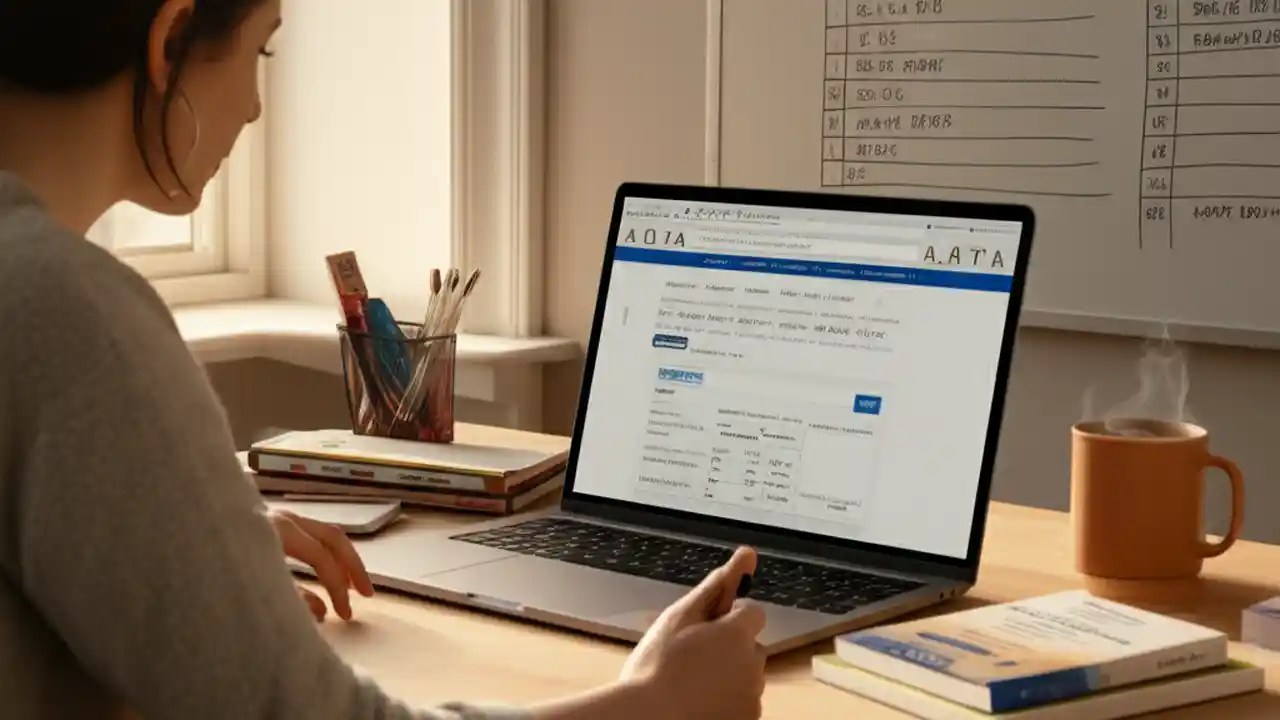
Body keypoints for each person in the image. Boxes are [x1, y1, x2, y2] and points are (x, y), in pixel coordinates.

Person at [0, 1, 768, 718]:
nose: (257, 106)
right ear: (171, 39)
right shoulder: (70, 314)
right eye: (262, 47)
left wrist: (183, 540)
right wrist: (652, 704)